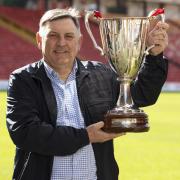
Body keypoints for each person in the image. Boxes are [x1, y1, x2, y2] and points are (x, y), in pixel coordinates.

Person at [6, 8, 169, 180]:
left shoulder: (102, 74)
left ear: (79, 41)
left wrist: (154, 56)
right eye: (53, 36)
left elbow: (142, 95)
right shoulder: (23, 79)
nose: (61, 43)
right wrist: (87, 136)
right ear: (39, 39)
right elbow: (25, 133)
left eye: (68, 36)